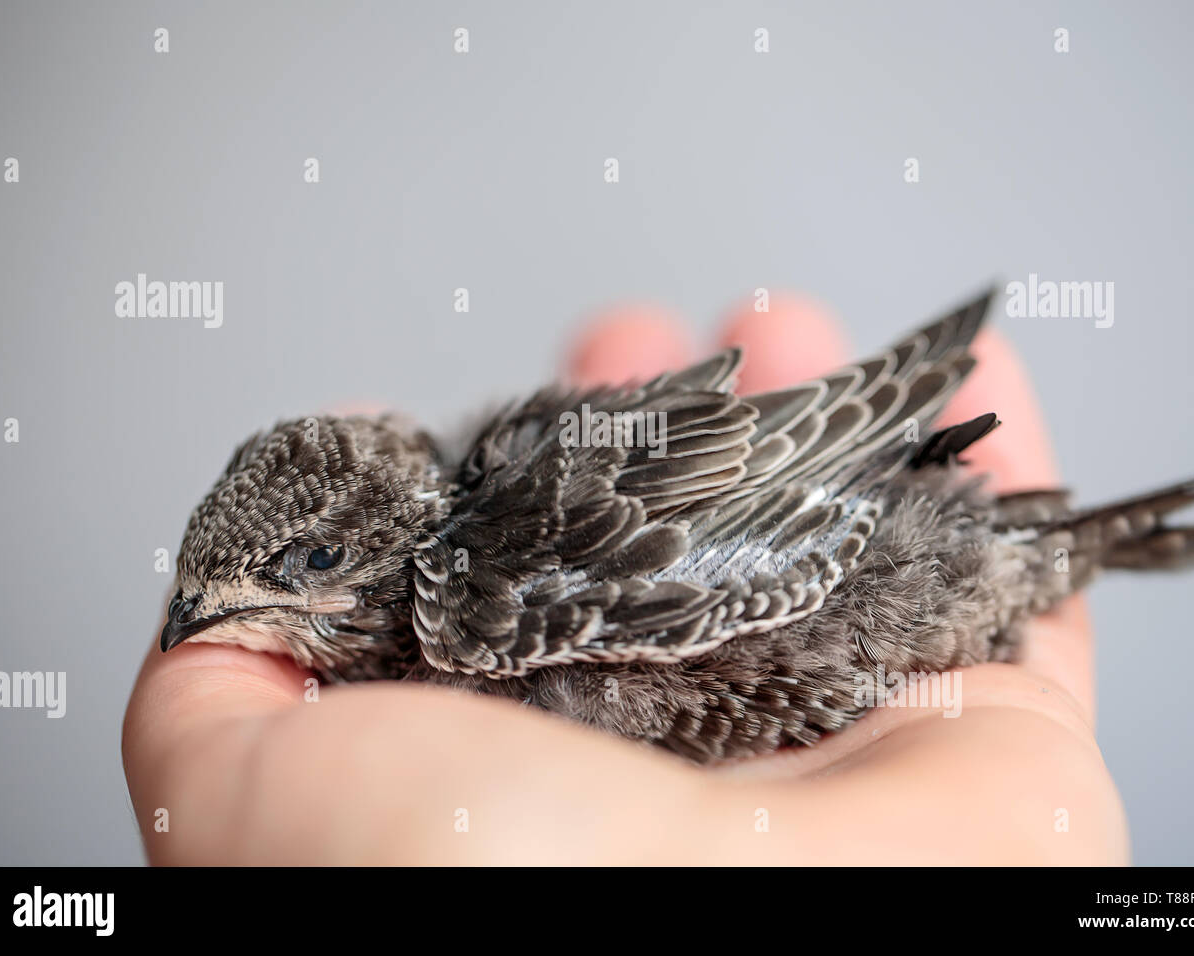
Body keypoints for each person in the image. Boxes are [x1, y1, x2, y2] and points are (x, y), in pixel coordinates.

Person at [122, 295, 1126, 864]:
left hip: (891, 562)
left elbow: (743, 544)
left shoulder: (464, 588)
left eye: (309, 565)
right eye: (200, 591)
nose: (196, 617)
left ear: (375, 539)